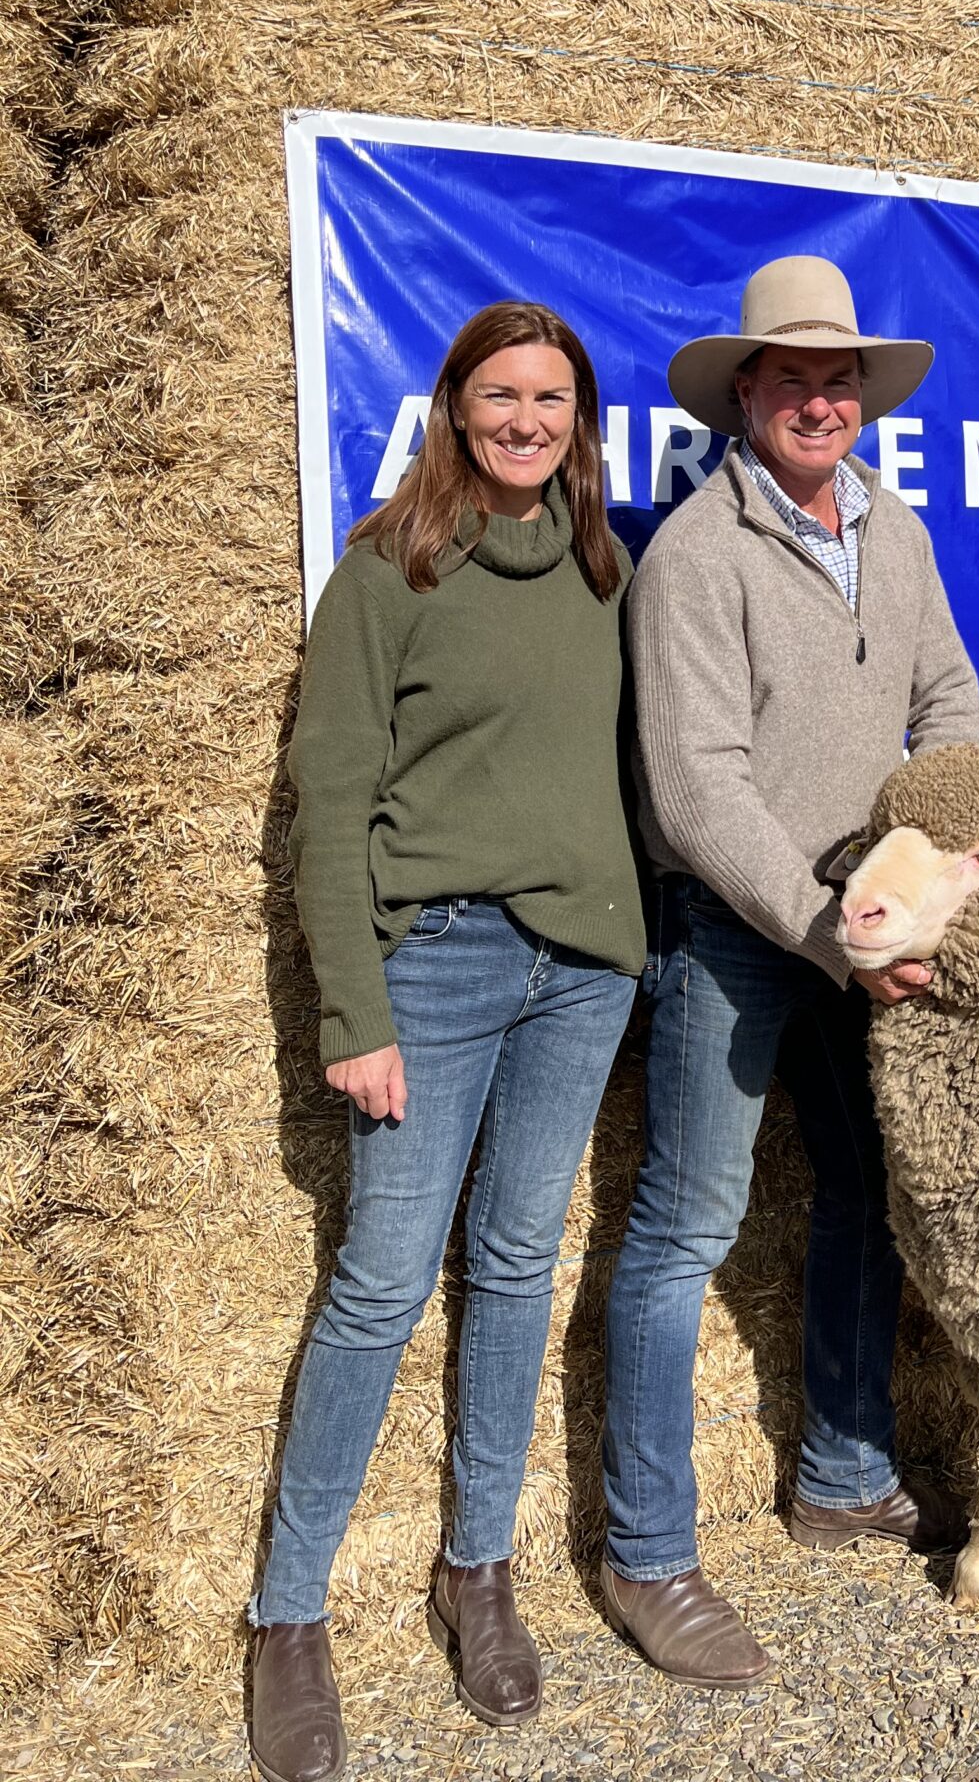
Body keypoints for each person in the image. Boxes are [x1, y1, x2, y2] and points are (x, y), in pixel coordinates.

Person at [249, 303, 648, 1782]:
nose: (527, 420)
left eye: (551, 398)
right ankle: (290, 1615)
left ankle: (478, 1572)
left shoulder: (607, 570)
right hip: (441, 967)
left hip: (579, 977)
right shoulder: (389, 568)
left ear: (579, 419)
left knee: (516, 1272)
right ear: (455, 408)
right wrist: (355, 1012)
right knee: (379, 1285)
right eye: (501, 396)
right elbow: (329, 806)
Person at [601, 253, 979, 1686]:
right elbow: (695, 793)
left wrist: (934, 858)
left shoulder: (899, 535)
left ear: (865, 401)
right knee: (683, 1231)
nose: (820, 401)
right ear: (745, 393)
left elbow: (946, 700)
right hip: (737, 931)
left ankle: (840, 1470)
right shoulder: (698, 554)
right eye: (793, 379)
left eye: (842, 382)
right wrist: (825, 931)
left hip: (856, 920)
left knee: (871, 1195)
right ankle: (646, 1558)